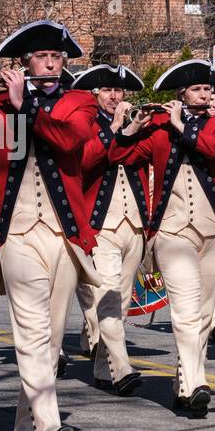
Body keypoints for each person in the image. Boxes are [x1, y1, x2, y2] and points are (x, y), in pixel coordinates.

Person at [0, 20, 101, 431]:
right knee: (31, 332)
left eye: (56, 58)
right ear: (24, 64)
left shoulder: (80, 102)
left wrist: (27, 109)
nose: (49, 64)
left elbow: (69, 141)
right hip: (15, 233)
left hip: (64, 232)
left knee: (50, 339)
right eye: (40, 58)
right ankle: (51, 425)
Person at [113, 58, 215, 416]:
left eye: (207, 88)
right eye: (196, 89)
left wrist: (180, 125)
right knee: (186, 310)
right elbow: (120, 156)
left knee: (203, 314)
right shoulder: (159, 129)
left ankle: (184, 382)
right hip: (172, 232)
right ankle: (197, 380)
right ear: (181, 94)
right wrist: (131, 128)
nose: (204, 95)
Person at [72, 64, 151, 396]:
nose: (115, 96)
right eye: (107, 91)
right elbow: (86, 161)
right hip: (99, 221)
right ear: (94, 95)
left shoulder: (137, 123)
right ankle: (121, 367)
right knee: (107, 294)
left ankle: (104, 368)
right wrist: (115, 128)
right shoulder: (85, 125)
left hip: (133, 220)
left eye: (118, 91)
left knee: (121, 299)